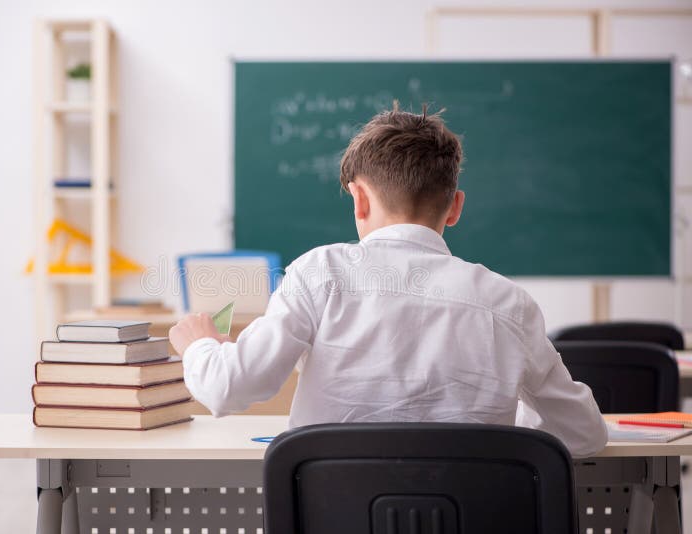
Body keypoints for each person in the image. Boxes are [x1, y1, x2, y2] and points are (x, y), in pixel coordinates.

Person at [170, 104, 607, 457]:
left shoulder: (320, 274)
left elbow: (229, 389)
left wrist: (200, 345)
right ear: (454, 208)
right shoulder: (508, 303)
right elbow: (583, 434)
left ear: (359, 199)